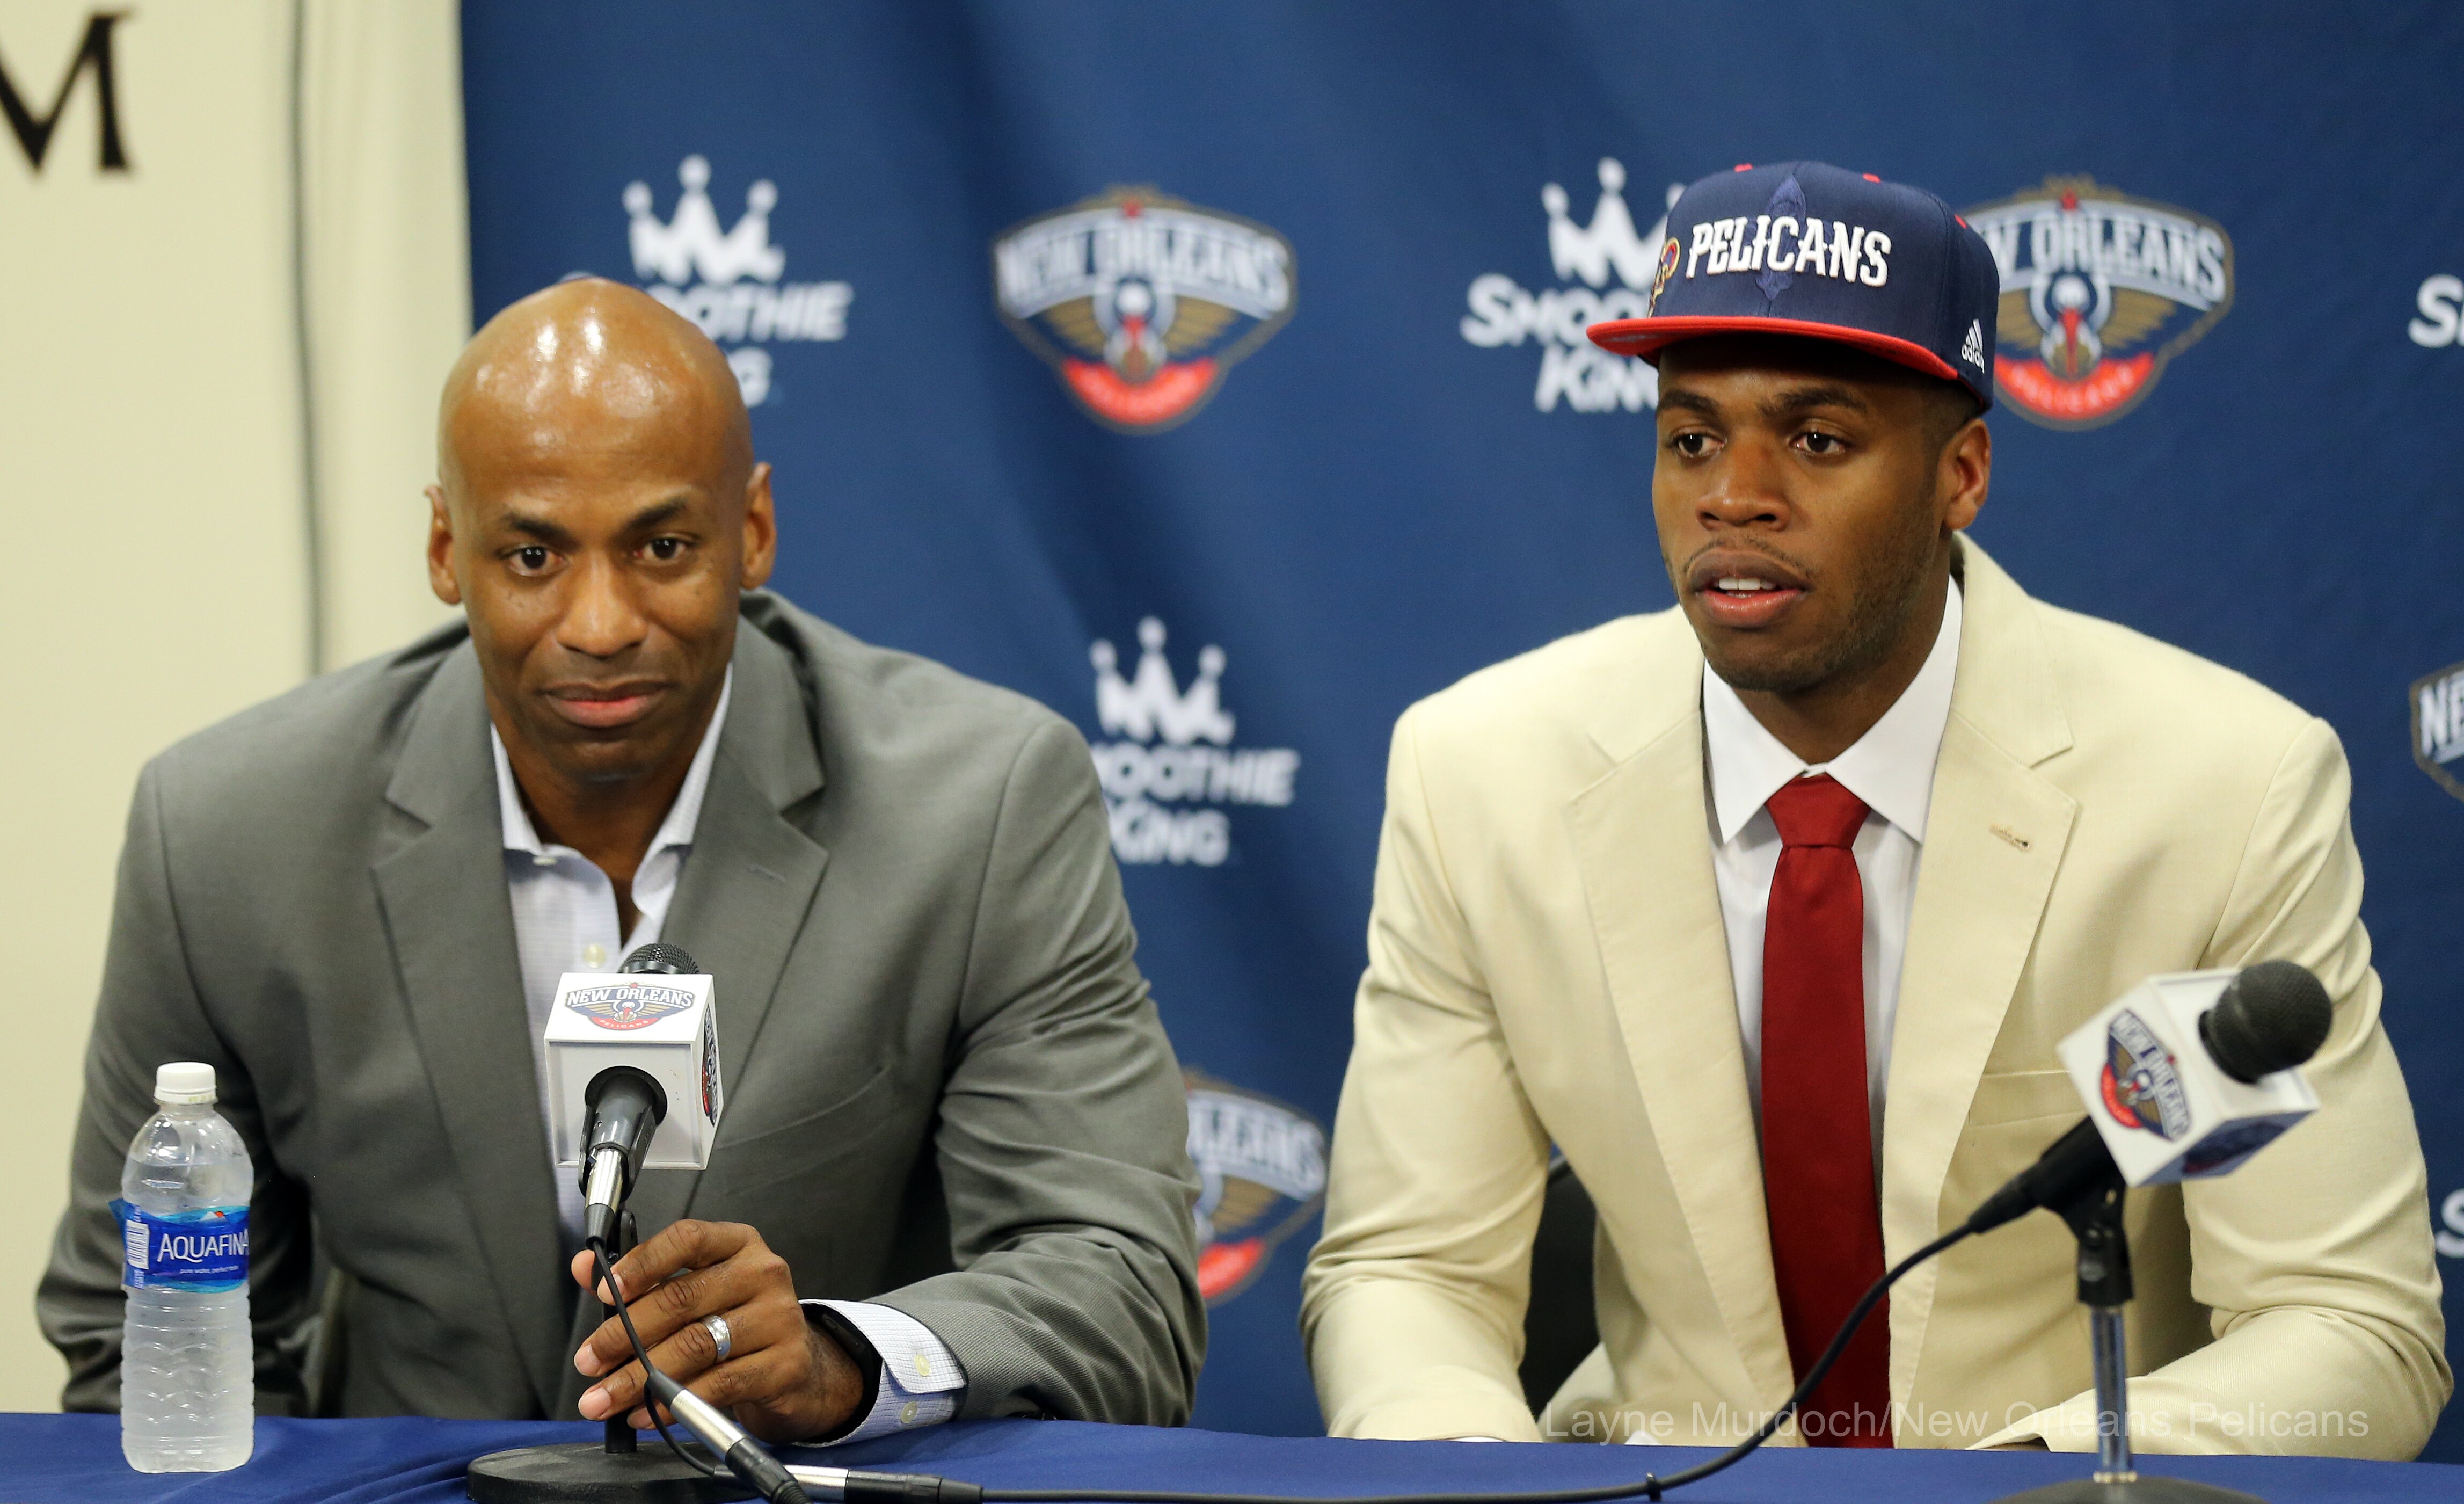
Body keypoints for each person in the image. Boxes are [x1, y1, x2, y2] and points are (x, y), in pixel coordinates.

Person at [1301, 163, 2448, 1457]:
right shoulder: (1481, 775)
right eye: (1692, 439)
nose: (1733, 495)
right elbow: (1410, 1273)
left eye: (1817, 440)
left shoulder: (2217, 789)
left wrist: (2026, 1492)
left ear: (1962, 474)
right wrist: (1486, 1492)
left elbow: (2345, 1322)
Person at [41, 279, 1204, 1444]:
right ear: (446, 548)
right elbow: (136, 1331)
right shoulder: (231, 834)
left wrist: (845, 1360)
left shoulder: (978, 807)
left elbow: (1119, 1288)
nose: (600, 624)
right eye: (532, 554)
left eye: (661, 546)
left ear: (753, 531)